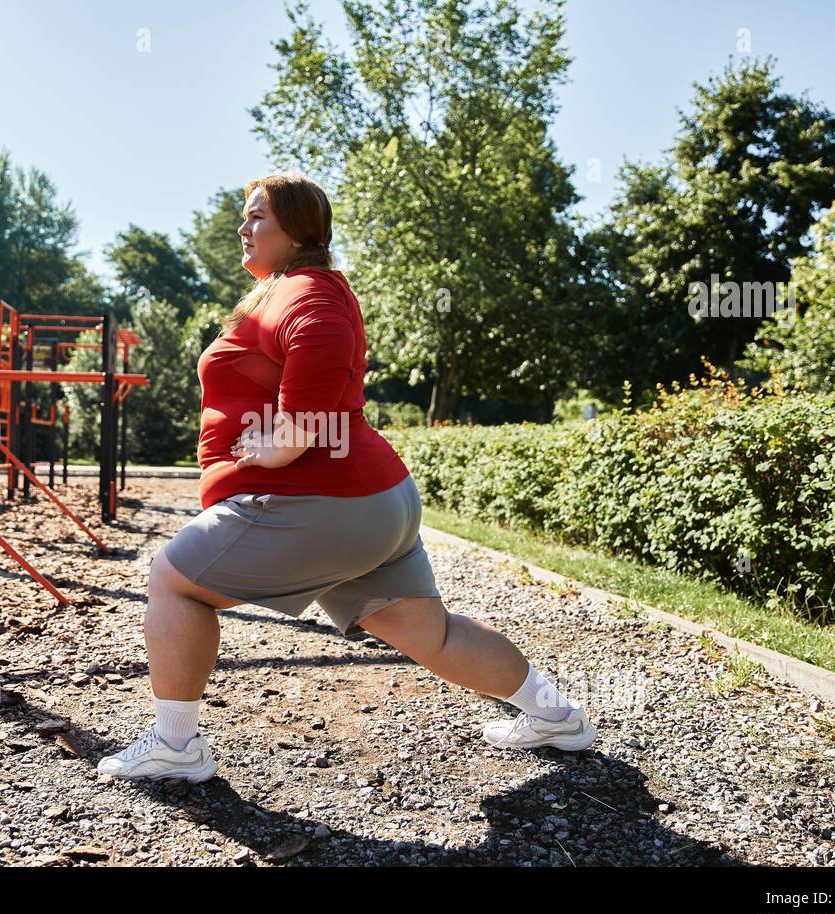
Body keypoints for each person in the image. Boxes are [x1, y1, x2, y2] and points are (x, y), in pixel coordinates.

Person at [97, 172, 597, 783]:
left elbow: (320, 379)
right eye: (245, 215)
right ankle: (556, 717)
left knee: (175, 581)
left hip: (321, 501)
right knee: (429, 635)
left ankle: (176, 747)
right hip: (364, 502)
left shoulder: (311, 293)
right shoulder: (287, 290)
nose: (243, 227)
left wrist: (278, 449)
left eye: (258, 216)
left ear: (299, 228)